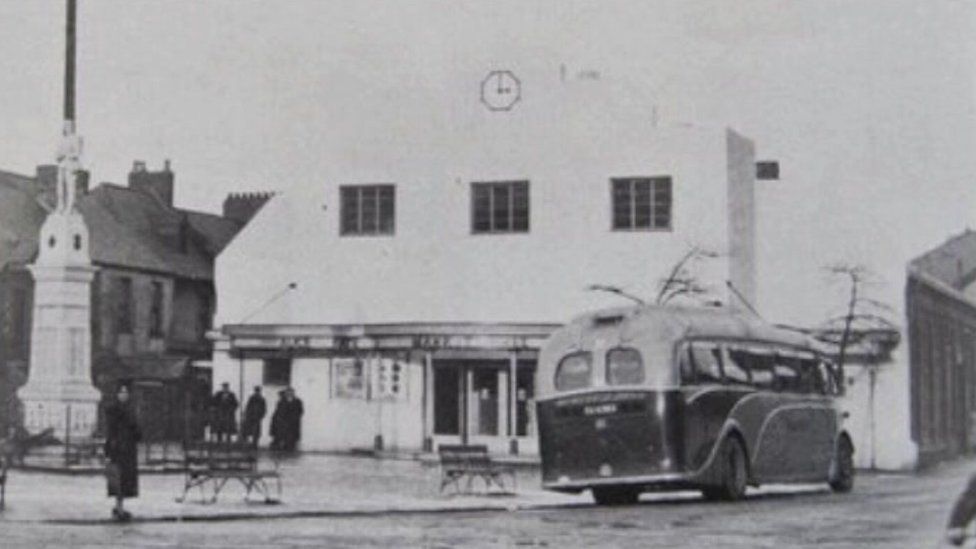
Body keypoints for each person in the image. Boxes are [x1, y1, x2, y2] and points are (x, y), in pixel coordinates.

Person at [103, 383, 141, 521]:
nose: (124, 395)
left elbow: (137, 431)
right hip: (118, 448)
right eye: (121, 392)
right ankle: (118, 507)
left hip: (129, 449)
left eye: (126, 392)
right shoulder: (113, 410)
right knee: (118, 480)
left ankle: (120, 507)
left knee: (125, 480)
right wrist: (109, 451)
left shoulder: (131, 410)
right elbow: (110, 432)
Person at [281, 387, 304, 452]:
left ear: (293, 393)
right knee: (285, 436)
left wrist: (295, 417)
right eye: (288, 393)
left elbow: (300, 411)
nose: (289, 394)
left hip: (294, 422)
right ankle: (286, 448)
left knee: (293, 436)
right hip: (285, 422)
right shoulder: (283, 401)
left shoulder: (297, 401)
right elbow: (280, 411)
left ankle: (292, 448)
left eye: (291, 392)